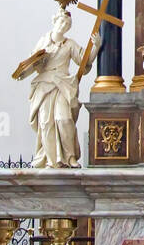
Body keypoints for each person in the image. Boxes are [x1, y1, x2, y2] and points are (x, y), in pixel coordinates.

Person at [23, 9, 99, 169]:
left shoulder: (69, 44)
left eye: (67, 24)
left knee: (63, 119)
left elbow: (84, 61)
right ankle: (51, 159)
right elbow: (32, 62)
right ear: (54, 21)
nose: (64, 25)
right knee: (45, 122)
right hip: (44, 85)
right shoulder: (44, 41)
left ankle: (69, 157)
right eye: (62, 22)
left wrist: (96, 47)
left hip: (63, 85)